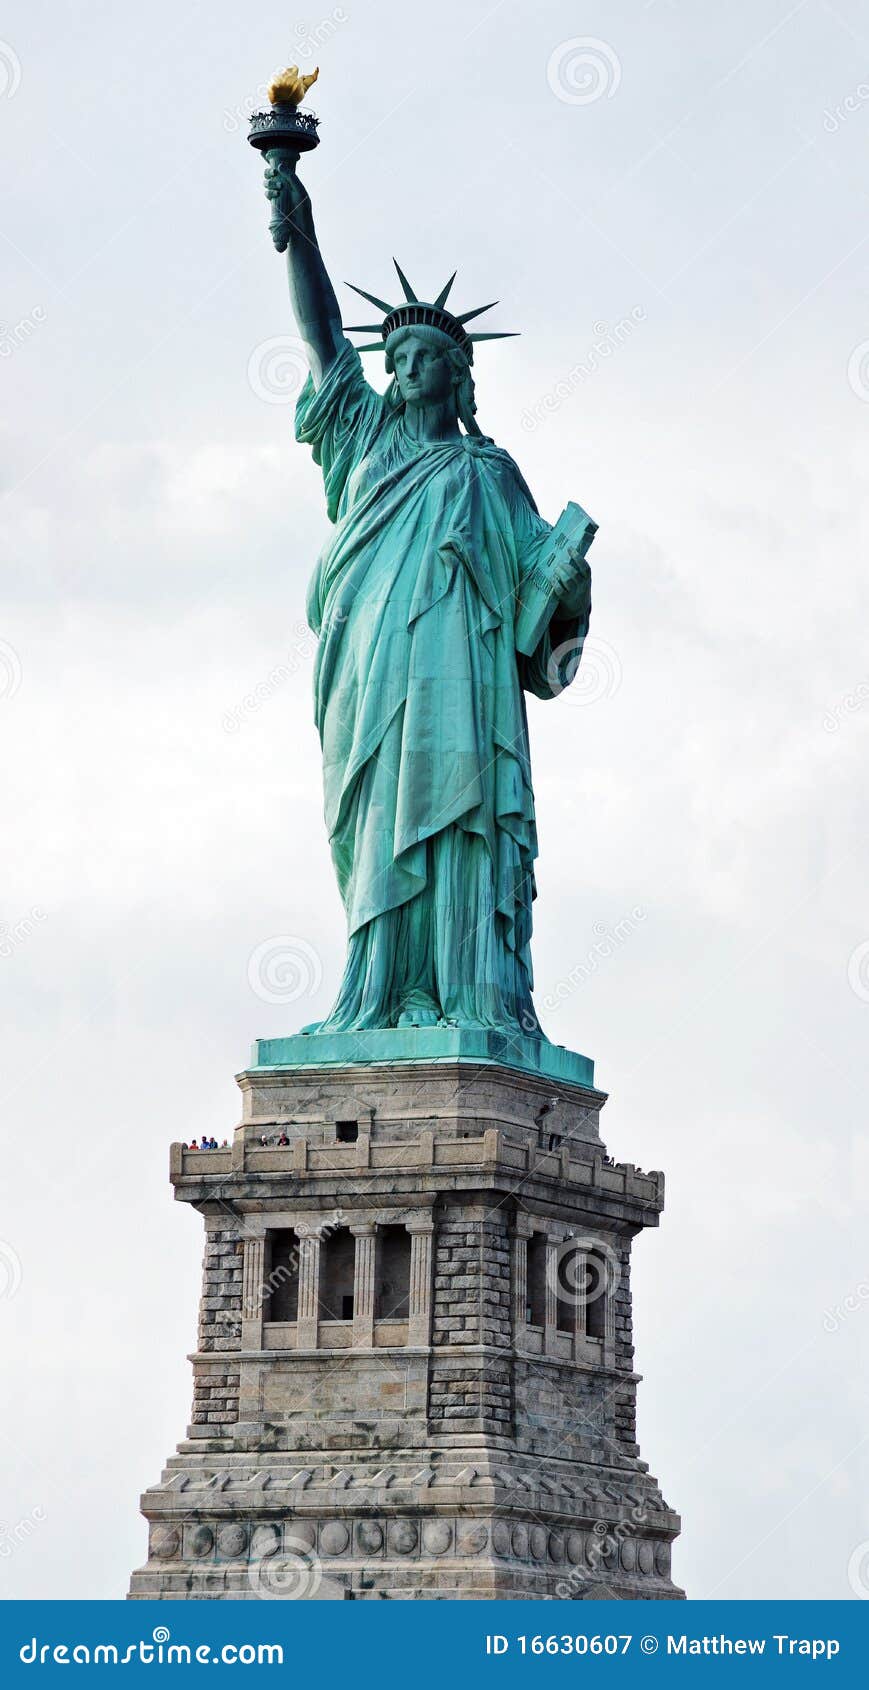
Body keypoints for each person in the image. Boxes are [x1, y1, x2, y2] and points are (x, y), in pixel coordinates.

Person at [262, 156, 593, 1038]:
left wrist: (568, 576)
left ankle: (464, 994)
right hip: (369, 667)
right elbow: (323, 333)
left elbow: (540, 609)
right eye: (397, 358)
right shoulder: (361, 435)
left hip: (460, 679)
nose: (405, 369)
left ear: (457, 375)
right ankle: (376, 990)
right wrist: (295, 215)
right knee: (372, 819)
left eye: (424, 359)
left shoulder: (489, 472)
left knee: (461, 822)